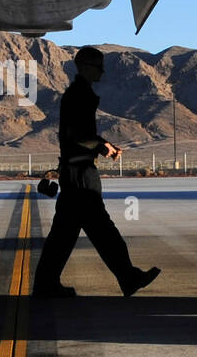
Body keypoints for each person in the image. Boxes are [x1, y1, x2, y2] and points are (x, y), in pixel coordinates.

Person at [31, 46, 161, 298]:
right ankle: (128, 277)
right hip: (80, 175)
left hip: (76, 171)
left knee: (66, 234)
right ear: (87, 67)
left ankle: (47, 284)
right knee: (101, 231)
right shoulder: (79, 95)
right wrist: (101, 146)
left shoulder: (79, 94)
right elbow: (76, 135)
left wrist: (103, 143)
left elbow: (79, 133)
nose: (102, 70)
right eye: (98, 65)